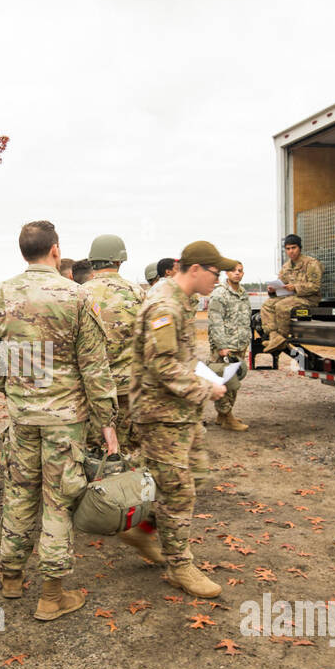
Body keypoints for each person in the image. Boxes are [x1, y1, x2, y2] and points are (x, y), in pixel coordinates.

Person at [0, 220, 118, 620]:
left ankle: (11, 579)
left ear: (24, 252)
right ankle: (51, 596)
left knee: (19, 493)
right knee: (59, 500)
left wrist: (11, 389)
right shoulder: (76, 296)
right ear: (55, 250)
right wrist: (107, 423)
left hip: (22, 418)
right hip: (66, 421)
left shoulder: (0, 294)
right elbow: (95, 369)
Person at [132, 240, 236, 599]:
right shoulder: (164, 305)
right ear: (195, 270)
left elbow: (178, 356)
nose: (218, 280)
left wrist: (203, 378)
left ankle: (143, 527)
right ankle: (180, 567)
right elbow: (160, 364)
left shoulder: (182, 301)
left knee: (196, 475)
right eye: (215, 273)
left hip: (180, 411)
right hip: (161, 413)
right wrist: (205, 389)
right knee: (178, 489)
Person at [82, 234, 145, 454]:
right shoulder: (137, 292)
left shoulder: (80, 293)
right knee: (129, 450)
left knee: (93, 452)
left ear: (92, 261)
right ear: (120, 260)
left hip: (92, 389)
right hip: (130, 388)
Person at [207, 261, 252, 431]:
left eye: (240, 271)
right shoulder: (220, 294)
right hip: (225, 347)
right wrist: (221, 346)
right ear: (227, 273)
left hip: (239, 345)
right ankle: (227, 417)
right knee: (226, 382)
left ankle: (223, 415)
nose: (237, 273)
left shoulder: (242, 293)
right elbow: (215, 322)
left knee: (235, 381)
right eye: (233, 271)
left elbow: (246, 318)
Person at [261, 235, 322, 355]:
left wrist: (295, 287)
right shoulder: (286, 266)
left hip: (308, 299)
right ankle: (275, 337)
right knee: (267, 305)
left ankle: (282, 338)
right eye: (288, 249)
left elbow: (315, 286)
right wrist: (273, 290)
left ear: (300, 248)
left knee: (282, 306)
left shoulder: (311, 263)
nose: (291, 251)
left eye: (293, 248)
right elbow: (281, 284)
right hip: (291, 297)